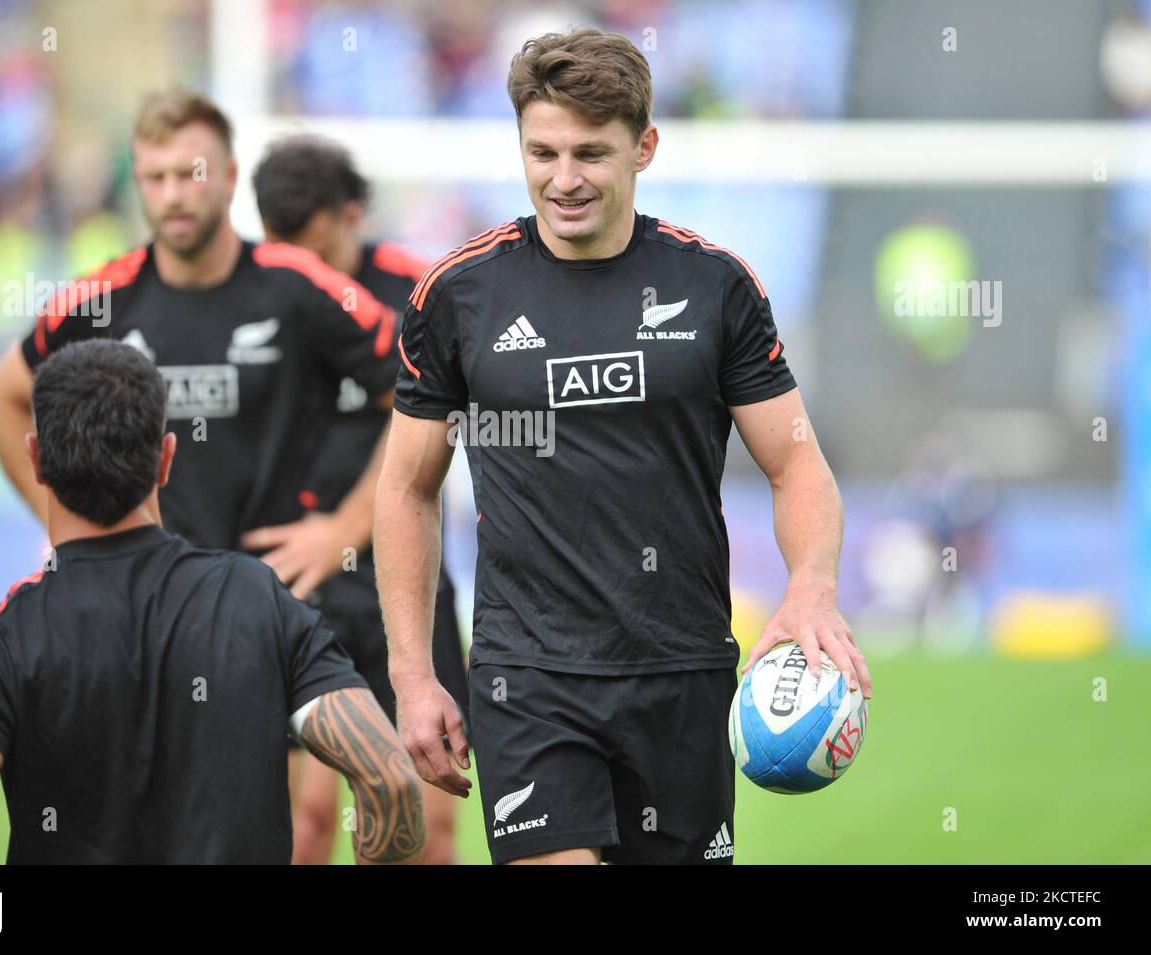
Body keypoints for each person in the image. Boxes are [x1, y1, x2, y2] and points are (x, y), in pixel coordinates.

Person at [374, 27, 872, 865]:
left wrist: (812, 589)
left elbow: (796, 466)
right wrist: (413, 673)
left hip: (682, 668)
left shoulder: (715, 286)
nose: (562, 179)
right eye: (542, 152)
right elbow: (406, 487)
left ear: (644, 147)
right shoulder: (458, 293)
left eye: (590, 153)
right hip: (525, 677)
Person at [0, 340, 423, 864]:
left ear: (36, 460)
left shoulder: (3, 639)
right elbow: (390, 776)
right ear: (166, 458)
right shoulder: (256, 598)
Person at [0, 88, 398, 582]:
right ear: (137, 182)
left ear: (228, 177)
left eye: (190, 173)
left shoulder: (298, 284)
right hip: (151, 601)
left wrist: (345, 531)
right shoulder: (102, 296)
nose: (173, 194)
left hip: (279, 602)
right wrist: (68, 528)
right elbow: (0, 400)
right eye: (156, 178)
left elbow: (420, 391)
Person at [252, 135, 468, 864]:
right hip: (302, 586)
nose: (302, 270)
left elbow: (435, 423)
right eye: (286, 250)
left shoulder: (419, 289)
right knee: (307, 825)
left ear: (352, 214)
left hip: (406, 581)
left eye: (315, 249)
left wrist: (344, 526)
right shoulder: (260, 292)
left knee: (431, 831)